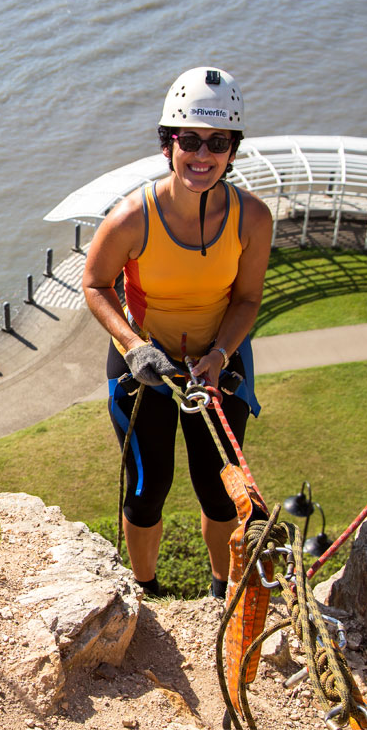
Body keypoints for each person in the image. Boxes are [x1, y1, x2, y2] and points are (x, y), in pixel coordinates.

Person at [82, 67, 273, 599]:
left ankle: (221, 592)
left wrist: (220, 354)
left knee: (221, 491)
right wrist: (135, 346)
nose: (202, 155)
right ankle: (148, 591)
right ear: (168, 144)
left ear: (233, 150)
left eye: (218, 142)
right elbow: (95, 284)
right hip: (146, 367)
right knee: (148, 489)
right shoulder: (132, 217)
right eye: (190, 140)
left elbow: (247, 299)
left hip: (218, 363)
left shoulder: (252, 218)